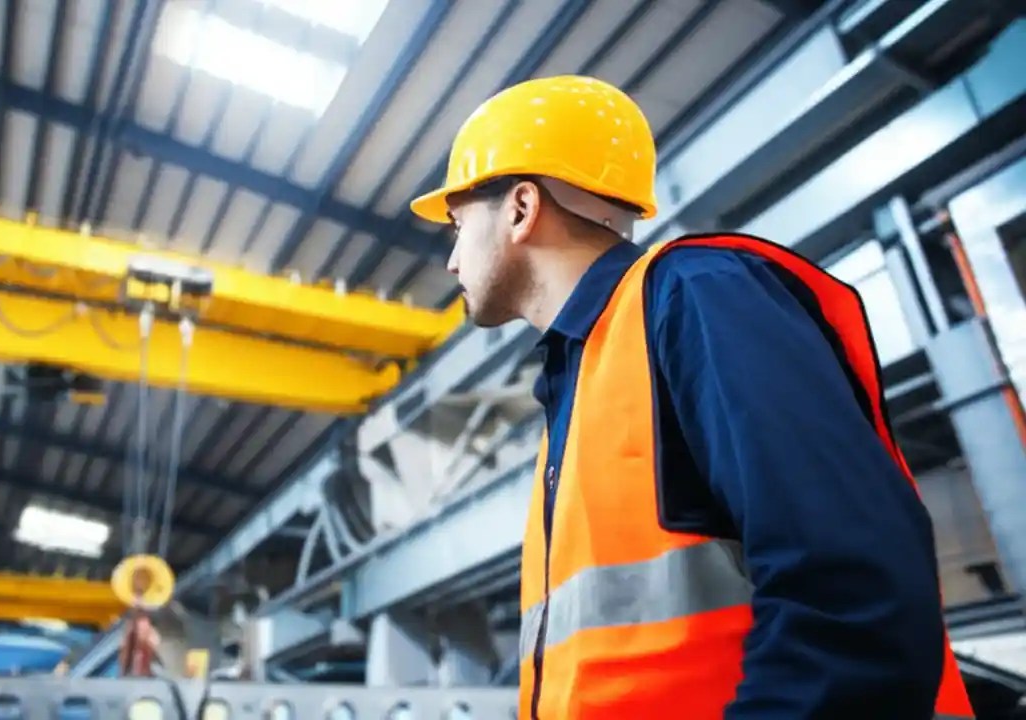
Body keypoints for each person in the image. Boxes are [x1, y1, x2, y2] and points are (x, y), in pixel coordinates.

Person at [409, 75, 974, 719]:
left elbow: (851, 592)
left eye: (457, 226)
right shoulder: (581, 379)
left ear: (520, 208)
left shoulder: (695, 293)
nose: (452, 261)